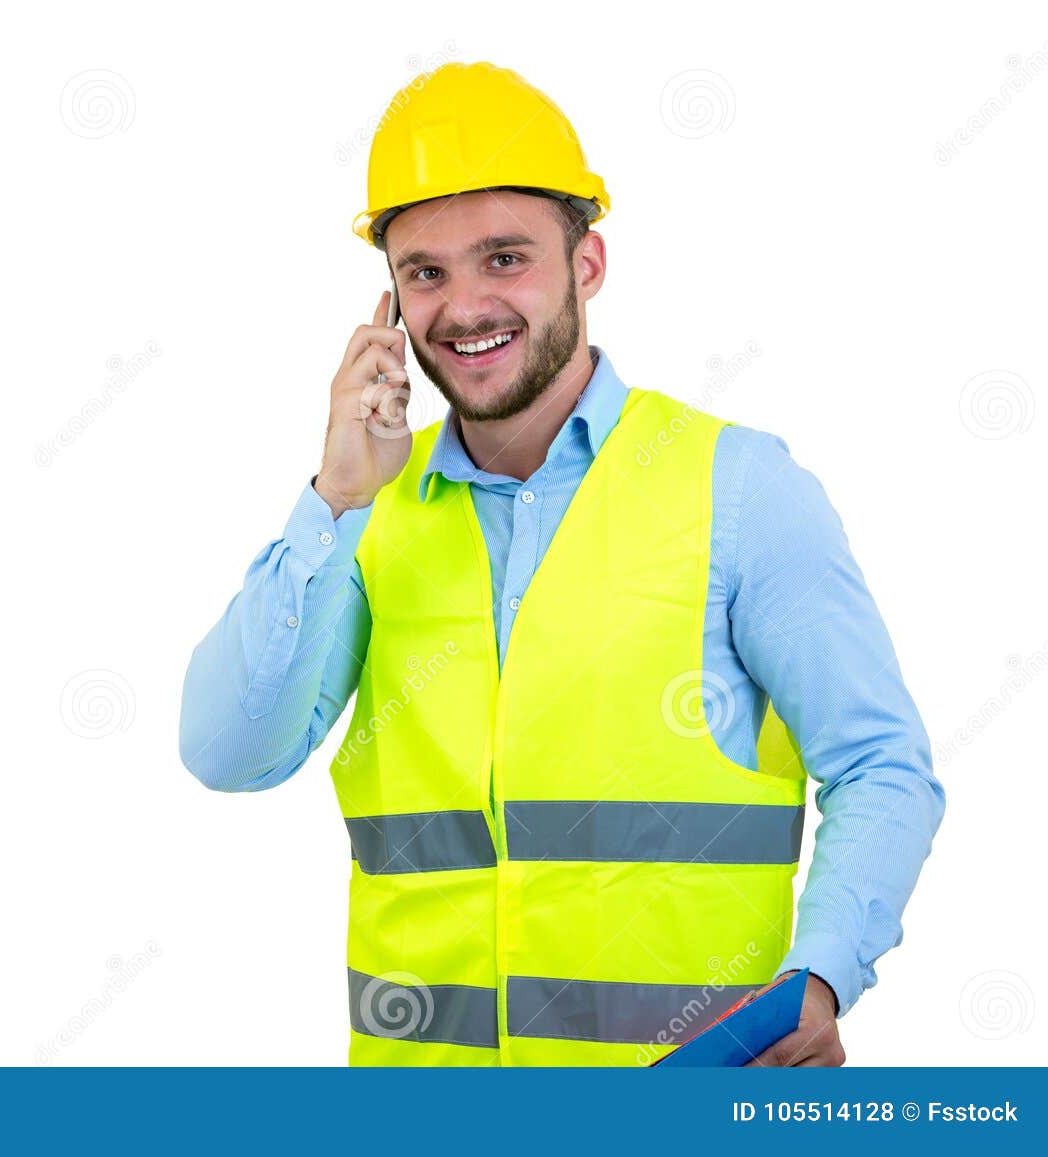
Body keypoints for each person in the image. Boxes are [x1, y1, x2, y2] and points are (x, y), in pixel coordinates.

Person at [179, 61, 944, 1067]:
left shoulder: (737, 487)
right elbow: (228, 751)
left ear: (586, 264)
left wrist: (822, 969)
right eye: (426, 271)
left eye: (504, 257)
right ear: (389, 300)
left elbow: (881, 766)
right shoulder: (367, 514)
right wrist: (331, 500)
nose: (462, 305)